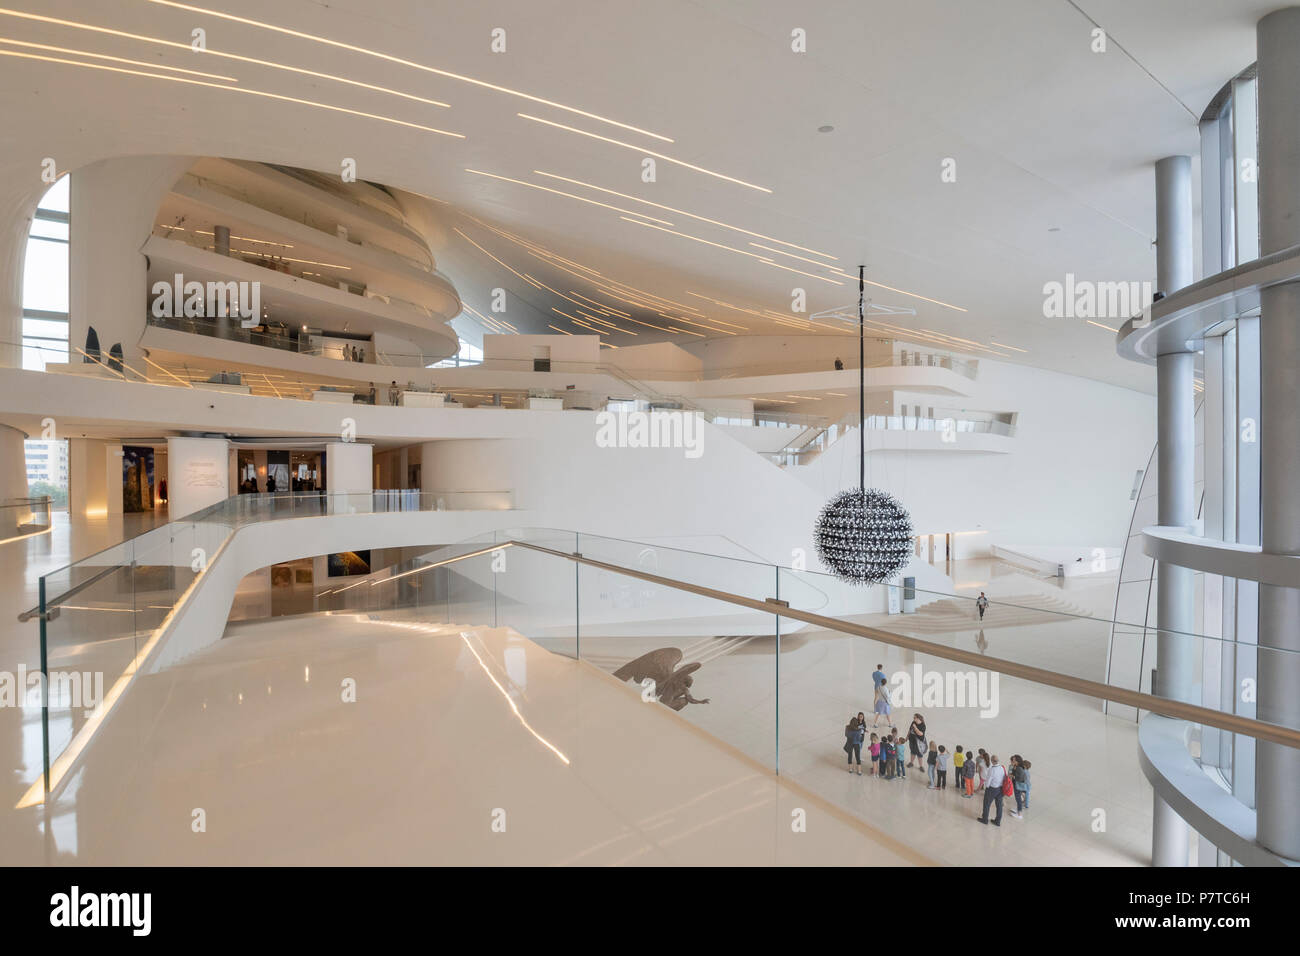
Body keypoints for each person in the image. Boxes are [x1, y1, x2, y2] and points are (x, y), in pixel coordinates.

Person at [977, 756, 1007, 826]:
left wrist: (987, 788)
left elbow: (988, 781)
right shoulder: (1002, 767)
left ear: (992, 761)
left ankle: (985, 819)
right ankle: (997, 821)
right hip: (1000, 789)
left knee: (986, 804)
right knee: (999, 806)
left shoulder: (992, 770)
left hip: (992, 789)